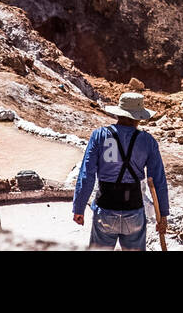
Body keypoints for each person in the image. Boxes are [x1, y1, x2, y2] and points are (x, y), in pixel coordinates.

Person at [72, 92, 169, 250]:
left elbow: (86, 174)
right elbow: (158, 180)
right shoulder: (147, 141)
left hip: (105, 209)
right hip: (134, 211)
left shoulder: (99, 136)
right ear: (139, 117)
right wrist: (163, 215)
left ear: (119, 113)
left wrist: (79, 207)